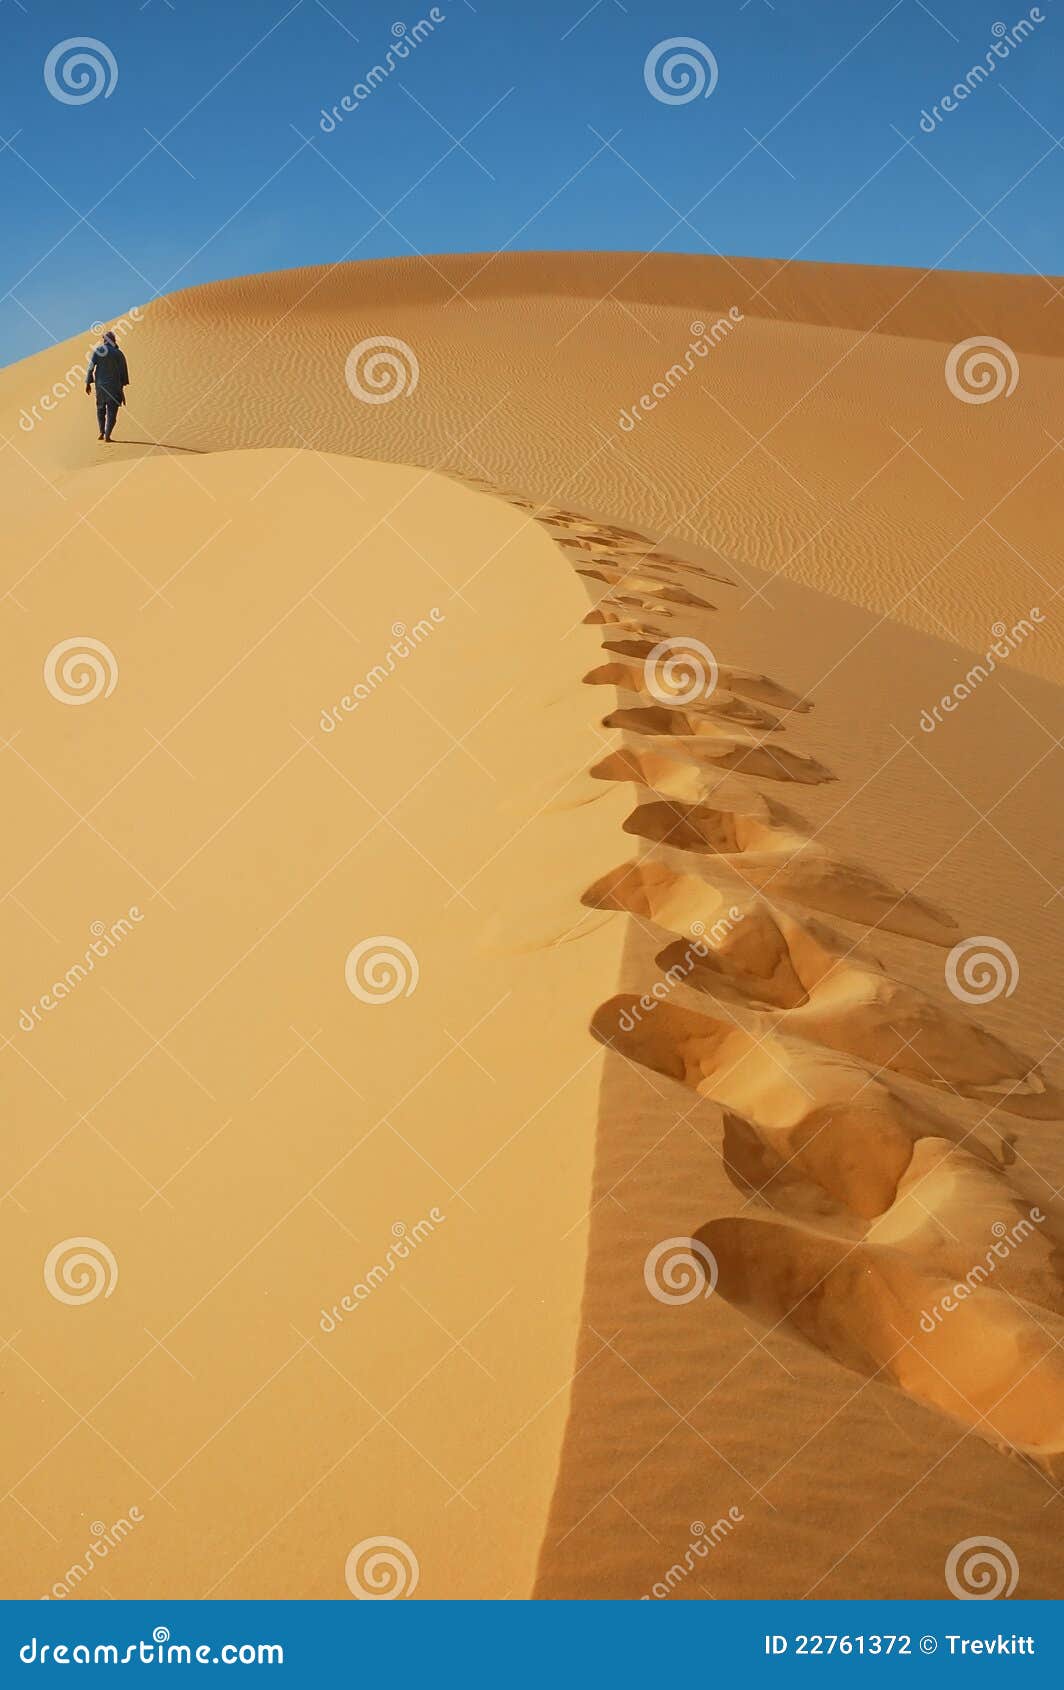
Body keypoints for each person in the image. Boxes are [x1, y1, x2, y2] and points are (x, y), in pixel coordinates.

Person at [85, 329, 129, 442]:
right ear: (113, 340)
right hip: (114, 388)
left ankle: (101, 431)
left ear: (104, 340)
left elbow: (90, 366)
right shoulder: (119, 353)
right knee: (112, 412)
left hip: (100, 387)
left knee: (100, 409)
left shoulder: (98, 350)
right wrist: (122, 388)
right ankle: (107, 436)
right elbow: (123, 373)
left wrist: (88, 382)